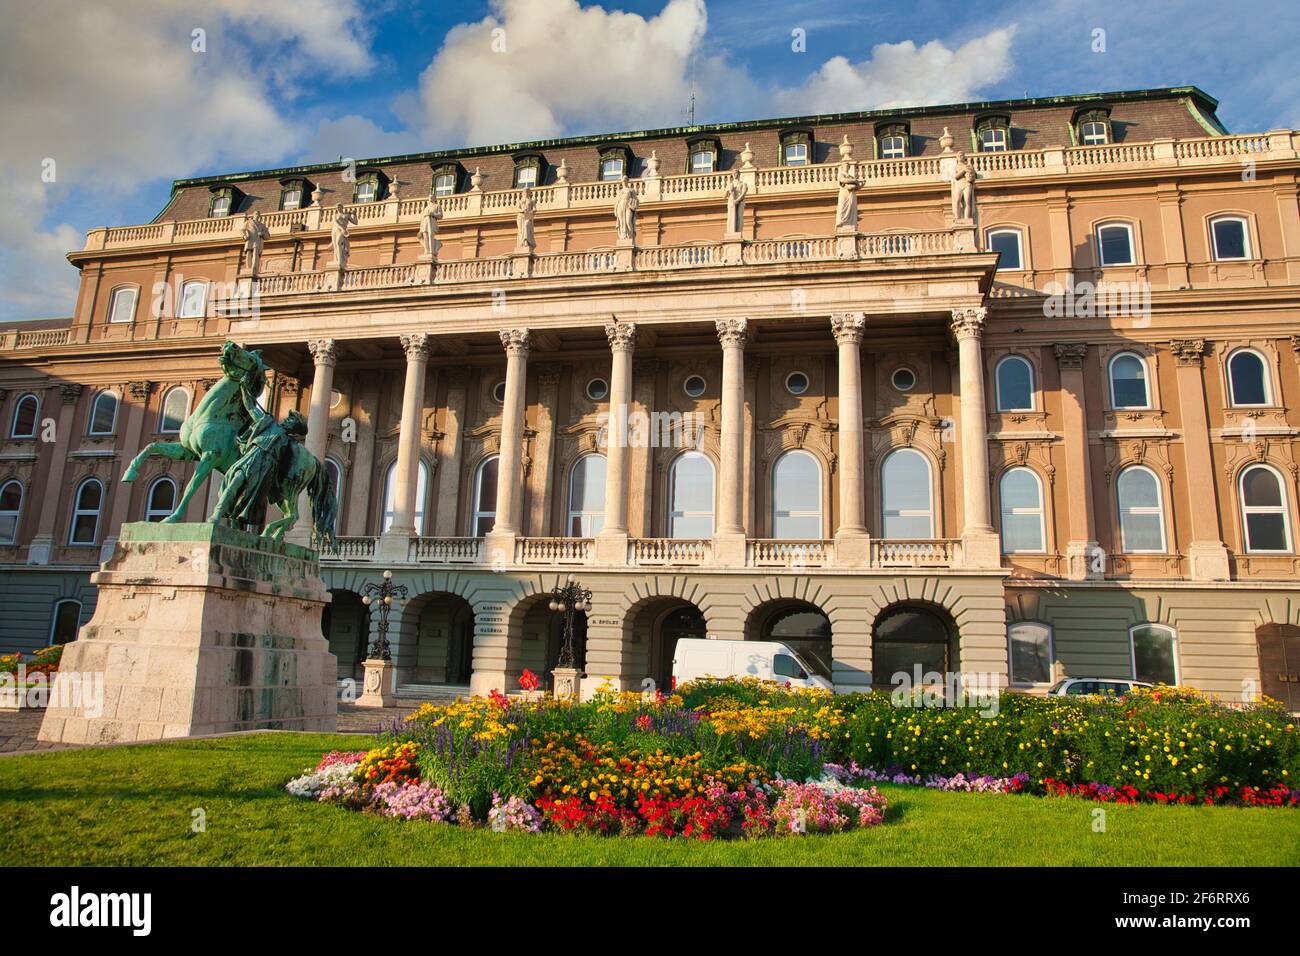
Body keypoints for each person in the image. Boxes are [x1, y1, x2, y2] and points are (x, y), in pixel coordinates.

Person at [211, 378, 307, 527]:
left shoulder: (289, 443)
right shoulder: (267, 422)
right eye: (289, 418)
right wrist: (244, 388)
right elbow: (251, 408)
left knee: (248, 496)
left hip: (266, 466)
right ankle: (217, 515)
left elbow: (289, 468)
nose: (288, 420)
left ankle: (235, 523)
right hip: (252, 456)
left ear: (294, 428)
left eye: (291, 420)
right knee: (235, 482)